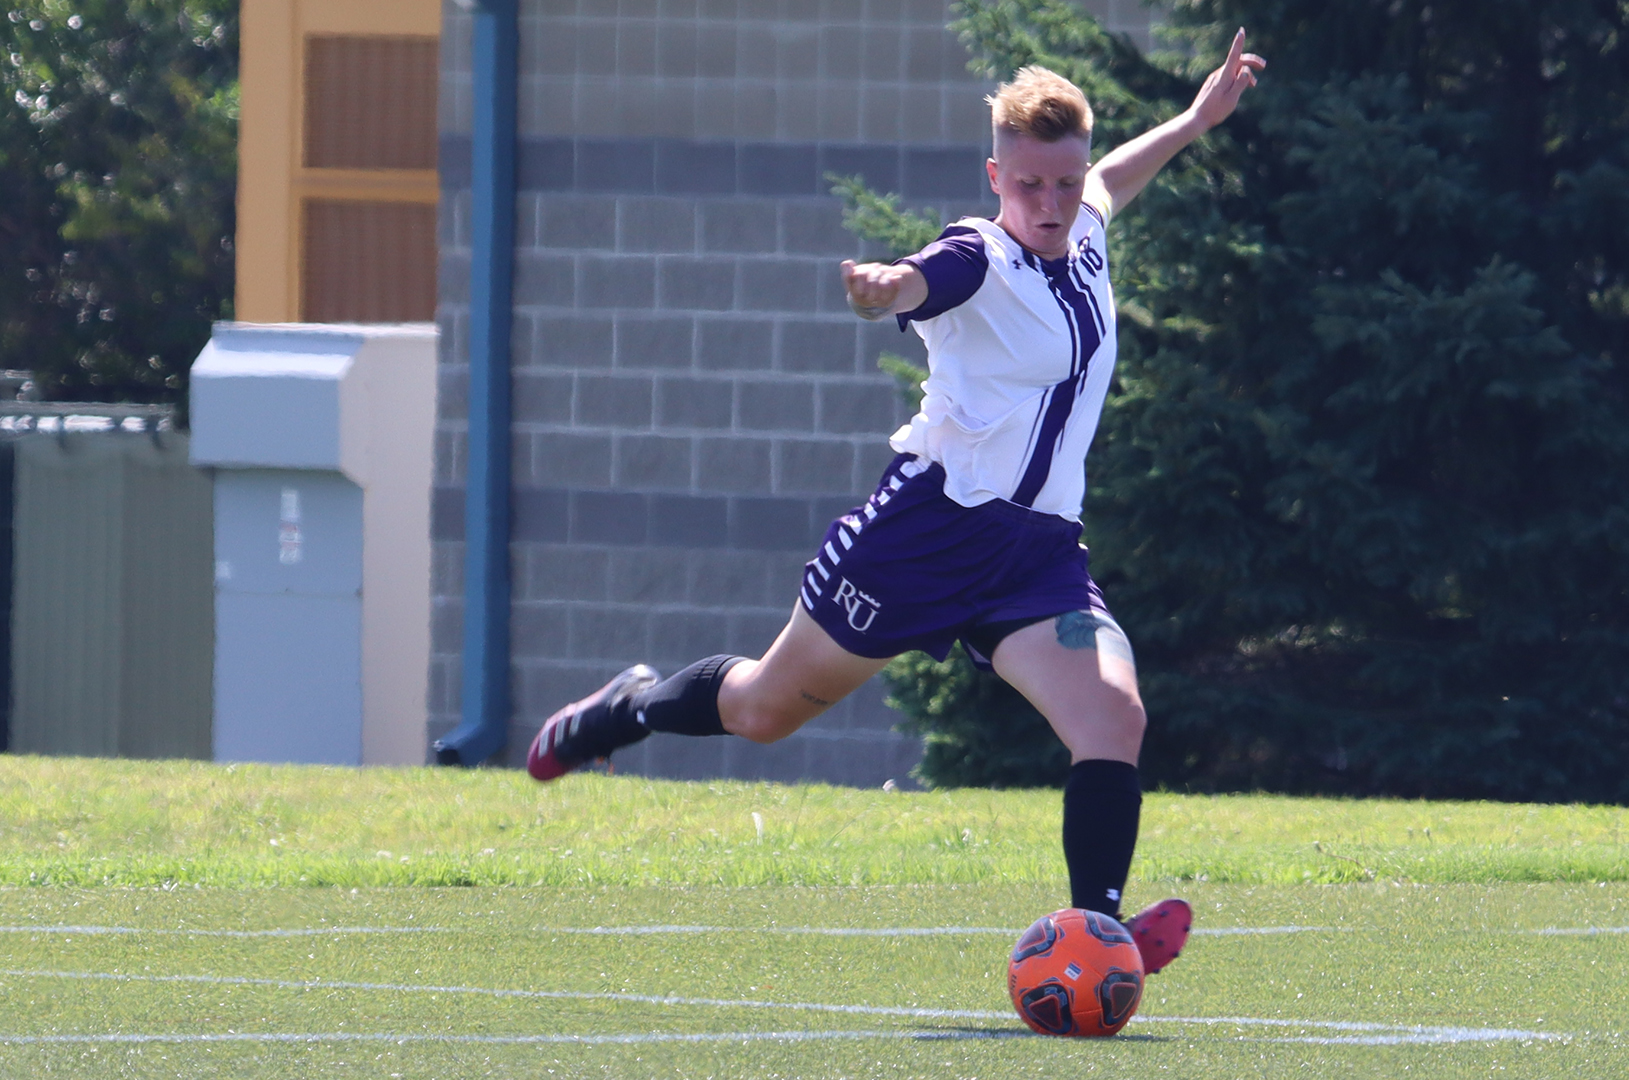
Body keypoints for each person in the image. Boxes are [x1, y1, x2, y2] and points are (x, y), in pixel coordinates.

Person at [527, 29, 1265, 977]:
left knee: (1113, 719)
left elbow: (1118, 178)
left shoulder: (1084, 226)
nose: (1050, 203)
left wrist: (1197, 122)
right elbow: (923, 278)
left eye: (1065, 181)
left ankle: (1100, 939)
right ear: (997, 176)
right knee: (761, 711)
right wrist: (887, 289)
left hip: (1036, 555)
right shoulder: (976, 256)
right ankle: (618, 710)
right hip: (922, 537)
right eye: (1028, 185)